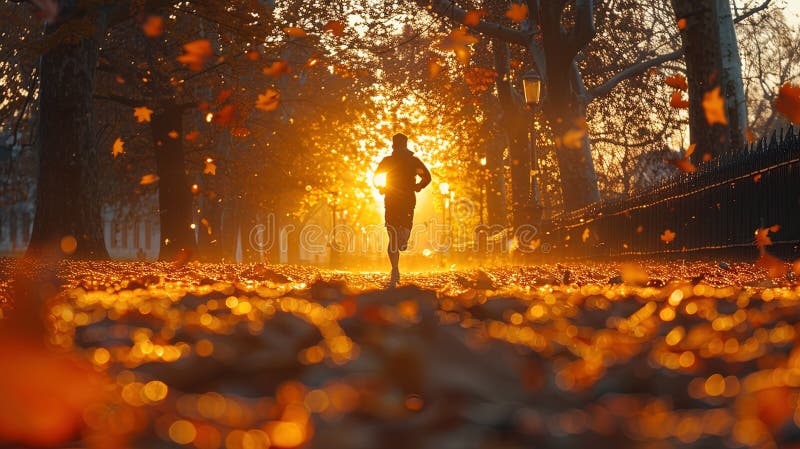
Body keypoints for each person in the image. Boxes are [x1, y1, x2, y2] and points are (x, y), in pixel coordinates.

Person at [374, 133, 431, 286]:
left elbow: (375, 177)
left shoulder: (388, 161)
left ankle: (395, 267)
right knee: (403, 230)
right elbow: (427, 177)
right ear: (405, 145)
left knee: (392, 235)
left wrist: (381, 187)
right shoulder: (413, 161)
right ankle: (401, 246)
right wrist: (419, 186)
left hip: (391, 200)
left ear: (393, 145)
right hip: (406, 200)